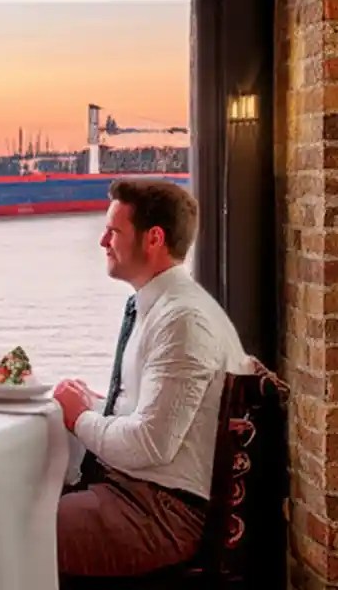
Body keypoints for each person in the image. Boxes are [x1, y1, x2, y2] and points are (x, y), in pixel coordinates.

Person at [52, 178, 248, 578]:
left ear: (153, 238)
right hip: (140, 494)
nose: (102, 241)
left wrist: (79, 419)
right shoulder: (166, 309)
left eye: (114, 231)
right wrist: (93, 402)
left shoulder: (182, 321)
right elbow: (155, 412)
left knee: (6, 527)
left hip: (161, 512)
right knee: (8, 505)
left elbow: (151, 444)